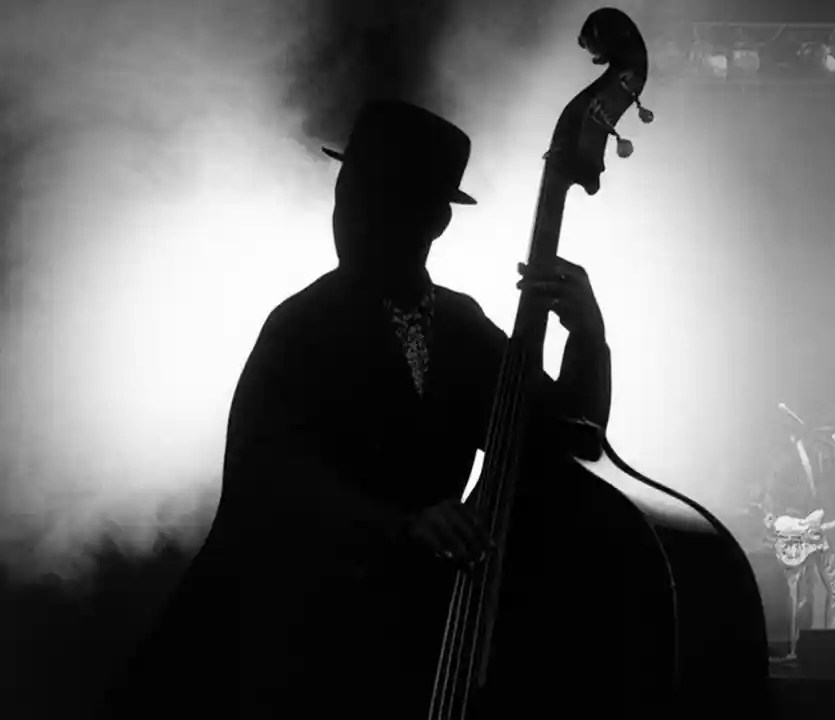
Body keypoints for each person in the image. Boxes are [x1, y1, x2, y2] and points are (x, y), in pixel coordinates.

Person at [105, 100, 612, 717]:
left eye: (379, 198)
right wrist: (400, 524)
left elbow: (565, 445)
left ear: (434, 219)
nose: (348, 216)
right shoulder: (300, 326)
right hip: (288, 643)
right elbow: (268, 484)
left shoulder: (461, 325)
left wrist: (587, 335)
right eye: (348, 194)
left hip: (404, 641)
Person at [759, 418, 835, 646]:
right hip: (798, 535)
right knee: (803, 599)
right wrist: (797, 525)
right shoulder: (784, 465)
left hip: (817, 533)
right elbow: (771, 511)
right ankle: (799, 650)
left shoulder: (822, 464)